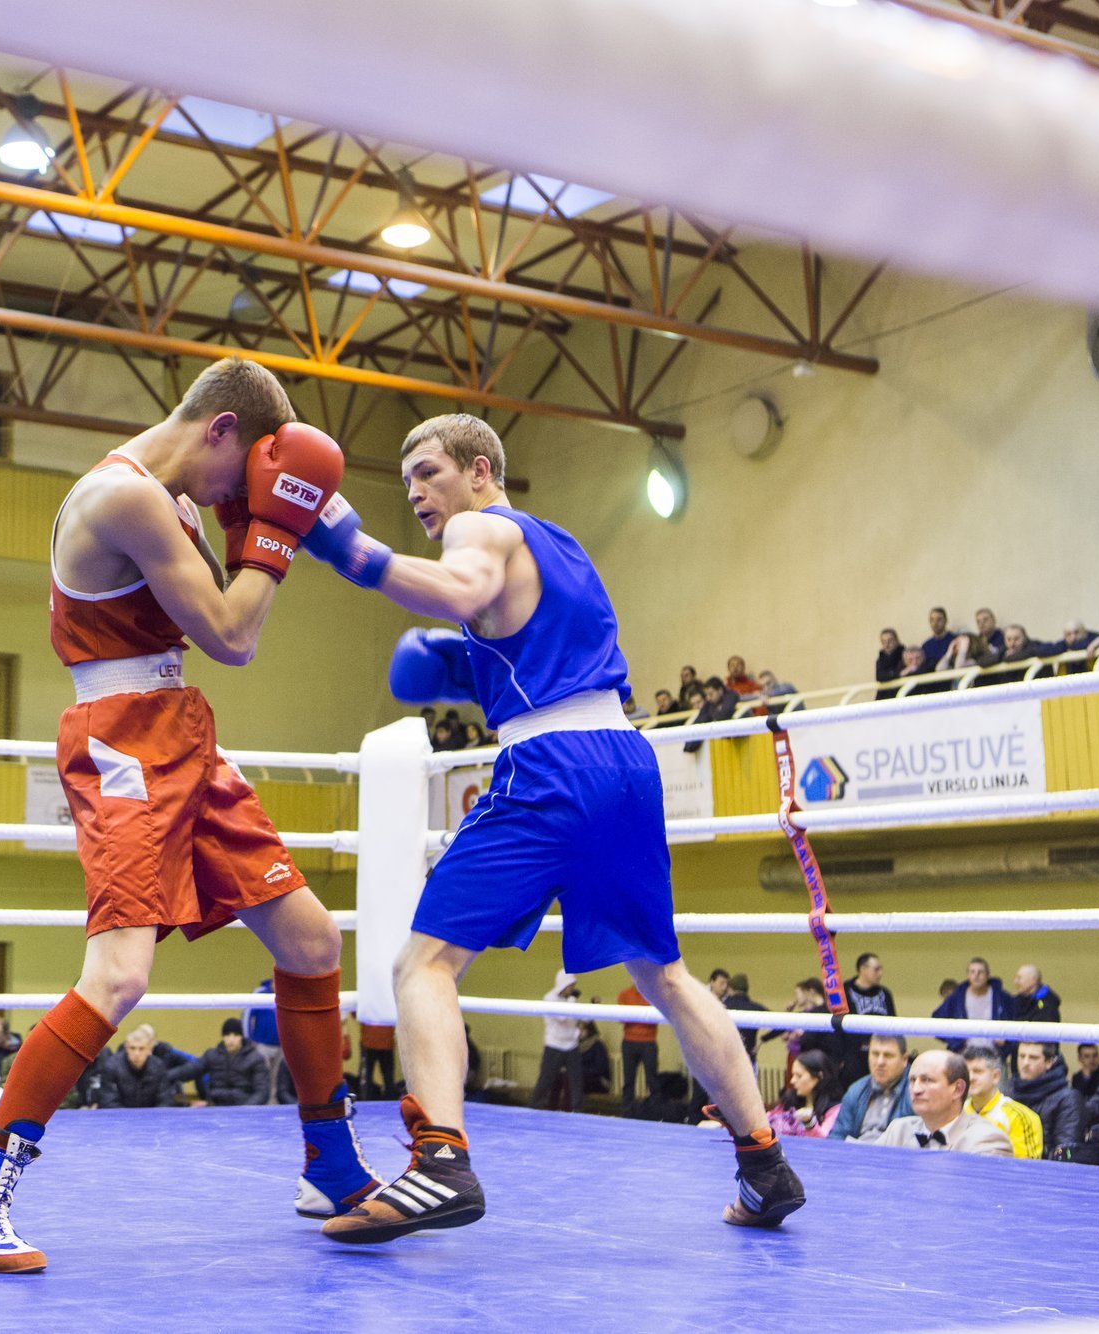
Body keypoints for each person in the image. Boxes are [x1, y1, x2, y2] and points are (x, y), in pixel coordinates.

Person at [303, 412, 802, 1243]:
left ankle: (440, 1163)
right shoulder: (558, 545)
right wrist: (463, 659)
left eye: (428, 471)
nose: (417, 493)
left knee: (421, 965)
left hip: (551, 768)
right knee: (665, 975)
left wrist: (345, 545)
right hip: (623, 758)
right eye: (407, 480)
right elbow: (520, 638)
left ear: (479, 469)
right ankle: (765, 1164)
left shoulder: (477, 527)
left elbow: (461, 591)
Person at [0, 360, 375, 1274]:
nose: (236, 491)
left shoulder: (171, 500)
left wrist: (252, 518)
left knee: (311, 941)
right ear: (219, 430)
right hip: (124, 741)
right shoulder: (122, 497)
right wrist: (275, 530)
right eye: (242, 471)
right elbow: (235, 634)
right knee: (120, 978)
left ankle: (331, 1166)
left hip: (183, 734)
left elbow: (219, 617)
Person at [875, 1050, 1011, 1155]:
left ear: (958, 1089)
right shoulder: (898, 1130)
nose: (916, 1089)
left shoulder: (987, 1139)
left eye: (927, 1080)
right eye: (912, 1080)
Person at [167, 1018, 272, 1107]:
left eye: (235, 1035)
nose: (231, 1039)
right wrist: (164, 1076)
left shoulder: (256, 1059)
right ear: (223, 1037)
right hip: (216, 1107)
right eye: (227, 1035)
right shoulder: (212, 1055)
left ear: (241, 1037)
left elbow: (262, 1092)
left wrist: (246, 1109)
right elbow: (191, 1069)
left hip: (243, 1106)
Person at [963, 1046, 1043, 1159]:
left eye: (978, 1071)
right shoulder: (956, 1112)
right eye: (966, 1072)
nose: (971, 1077)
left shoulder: (1019, 1116)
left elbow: (1026, 1170)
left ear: (996, 1076)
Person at [831, 1033, 914, 1142]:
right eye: (875, 1054)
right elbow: (837, 1136)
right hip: (857, 1154)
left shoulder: (916, 1091)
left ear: (904, 1060)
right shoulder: (856, 1090)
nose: (880, 1062)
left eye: (888, 1055)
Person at [1011, 1042, 1084, 1163]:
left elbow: (1066, 1154)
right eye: (1022, 1056)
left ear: (1049, 1062)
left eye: (1033, 1057)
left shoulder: (1068, 1099)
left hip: (1043, 1174)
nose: (1025, 1063)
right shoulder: (1009, 1091)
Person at [530, 971, 587, 1113]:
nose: (572, 988)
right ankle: (533, 1108)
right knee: (545, 1080)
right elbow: (562, 1017)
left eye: (573, 985)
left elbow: (577, 1019)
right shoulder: (549, 998)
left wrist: (579, 1031)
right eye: (570, 985)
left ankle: (577, 1111)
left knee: (576, 1082)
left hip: (572, 1045)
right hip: (554, 1044)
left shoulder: (571, 1000)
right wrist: (573, 1001)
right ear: (563, 984)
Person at [930, 956, 1013, 1051]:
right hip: (963, 1054)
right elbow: (936, 1022)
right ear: (968, 975)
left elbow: (1016, 1020)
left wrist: (1006, 1041)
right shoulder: (956, 998)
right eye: (972, 972)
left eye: (980, 972)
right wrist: (956, 1041)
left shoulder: (1002, 997)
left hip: (993, 1054)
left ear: (988, 974)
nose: (976, 975)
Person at [86, 1026, 179, 1109]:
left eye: (141, 1048)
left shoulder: (158, 1067)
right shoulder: (112, 1066)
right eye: (132, 1048)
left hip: (151, 1120)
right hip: (120, 1121)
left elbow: (165, 1101)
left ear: (149, 1050)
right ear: (126, 1048)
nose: (136, 1053)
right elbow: (108, 1102)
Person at [841, 953, 895, 1086]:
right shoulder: (844, 992)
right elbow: (838, 1025)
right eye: (876, 969)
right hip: (853, 1056)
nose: (880, 973)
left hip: (880, 1054)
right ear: (863, 969)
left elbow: (894, 1024)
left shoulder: (884, 993)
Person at [767, 1051, 842, 1140]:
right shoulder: (788, 1100)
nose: (792, 1081)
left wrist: (809, 1123)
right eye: (793, 1075)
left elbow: (823, 1142)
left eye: (799, 1076)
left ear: (819, 1076)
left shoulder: (834, 1109)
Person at [615, 981, 658, 1112]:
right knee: (628, 1079)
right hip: (629, 1041)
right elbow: (621, 1018)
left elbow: (655, 1017)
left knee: (652, 1079)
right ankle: (627, 1110)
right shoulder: (624, 994)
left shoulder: (653, 994)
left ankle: (655, 1110)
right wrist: (643, 1017)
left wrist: (634, 1017)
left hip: (648, 1041)